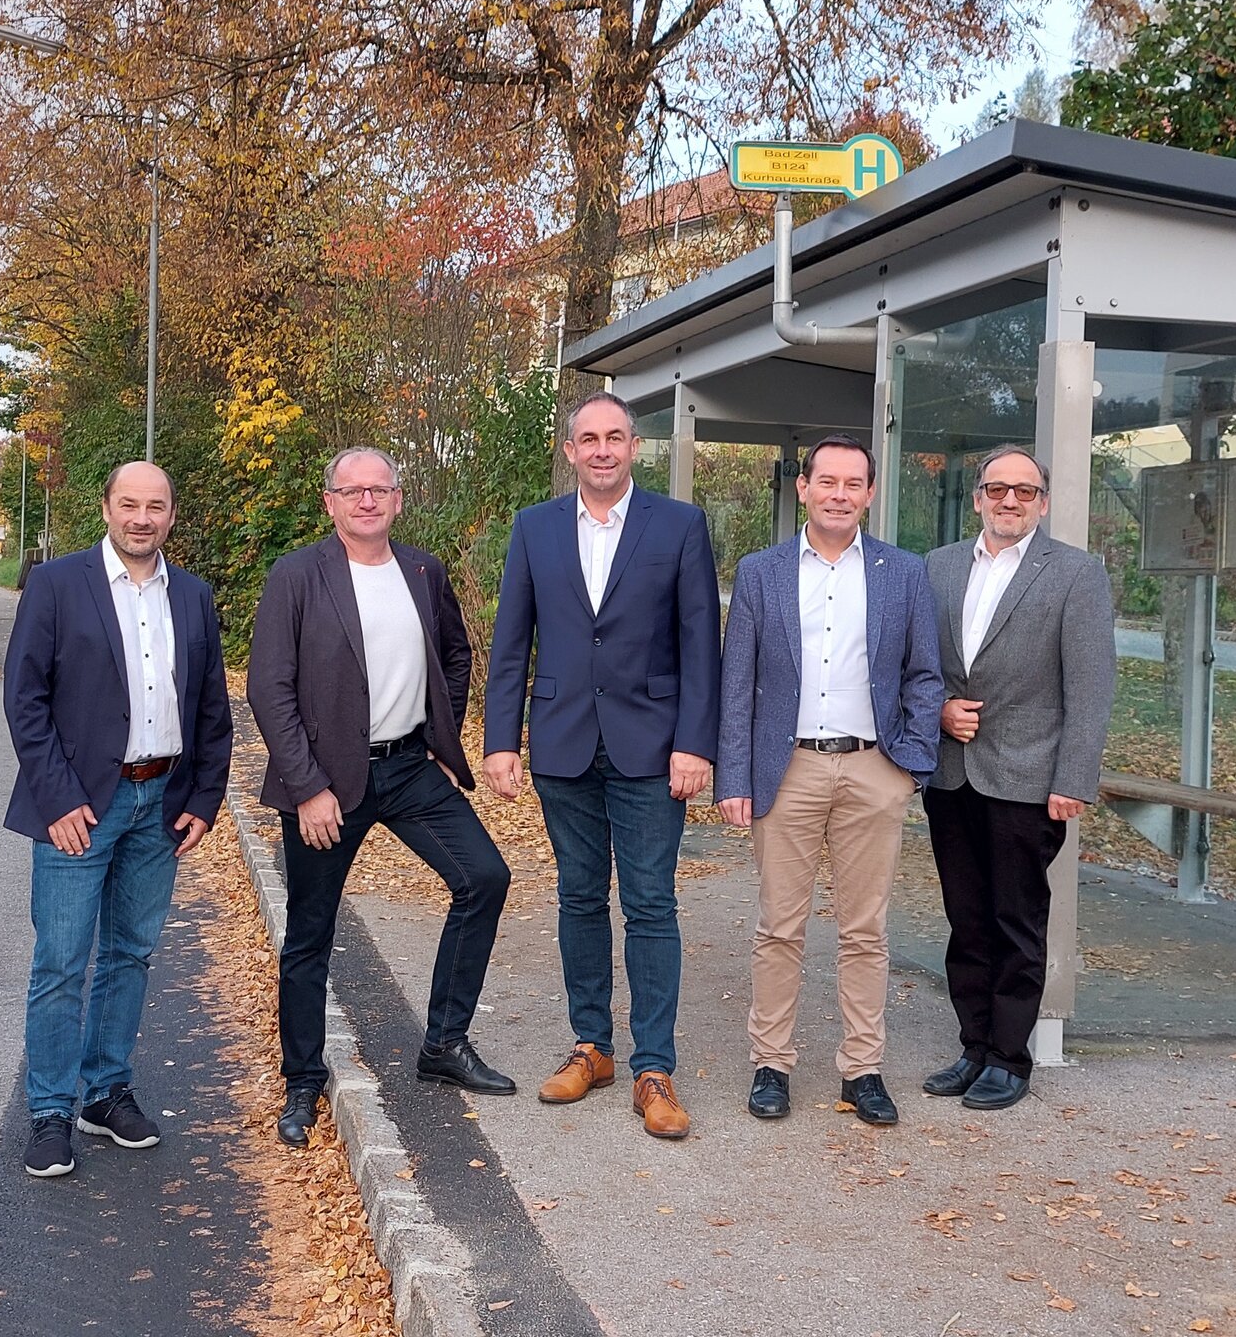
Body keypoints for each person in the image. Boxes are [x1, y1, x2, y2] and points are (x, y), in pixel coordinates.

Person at [249, 447, 513, 1148]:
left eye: (380, 490)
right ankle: (303, 1081)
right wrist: (307, 788)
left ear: (398, 500)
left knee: (484, 877)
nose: (366, 501)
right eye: (351, 490)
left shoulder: (423, 571)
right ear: (329, 501)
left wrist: (439, 730)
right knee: (310, 933)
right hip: (326, 782)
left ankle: (444, 1046)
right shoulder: (298, 576)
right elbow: (268, 688)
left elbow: (456, 656)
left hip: (409, 769)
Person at [483, 392, 720, 1141]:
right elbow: (511, 641)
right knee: (578, 897)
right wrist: (500, 739)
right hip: (561, 742)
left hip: (653, 748)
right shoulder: (534, 527)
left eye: (616, 437)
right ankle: (592, 1047)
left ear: (634, 447)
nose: (603, 450)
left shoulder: (679, 525)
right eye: (589, 438)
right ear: (571, 450)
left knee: (650, 903)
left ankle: (654, 1065)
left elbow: (700, 645)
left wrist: (696, 742)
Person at [2, 460, 233, 1179]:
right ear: (105, 508)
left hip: (158, 805)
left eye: (156, 506)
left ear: (171, 514)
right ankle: (49, 1111)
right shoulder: (56, 585)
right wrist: (57, 798)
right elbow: (25, 700)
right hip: (79, 805)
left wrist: (202, 801)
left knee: (130, 955)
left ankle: (105, 1094)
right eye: (129, 504)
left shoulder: (192, 596)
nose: (142, 517)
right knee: (62, 962)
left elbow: (212, 712)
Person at [717, 435, 944, 1126]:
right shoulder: (762, 572)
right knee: (779, 926)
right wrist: (733, 775)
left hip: (875, 768)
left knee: (865, 930)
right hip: (786, 768)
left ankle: (862, 1070)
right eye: (829, 481)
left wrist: (911, 764)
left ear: (870, 494)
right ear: (804, 489)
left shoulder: (903, 573)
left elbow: (924, 676)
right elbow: (736, 683)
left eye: (854, 483)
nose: (840, 494)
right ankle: (771, 1064)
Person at [920, 445, 1115, 1111]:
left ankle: (1010, 1056)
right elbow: (918, 667)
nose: (1010, 501)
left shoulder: (1076, 574)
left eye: (1025, 492)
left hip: (1030, 778)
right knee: (965, 920)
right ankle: (973, 1047)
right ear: (977, 498)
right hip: (952, 776)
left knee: (1016, 920)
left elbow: (1090, 688)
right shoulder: (938, 568)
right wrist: (937, 712)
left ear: (1043, 502)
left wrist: (1075, 778)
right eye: (998, 489)